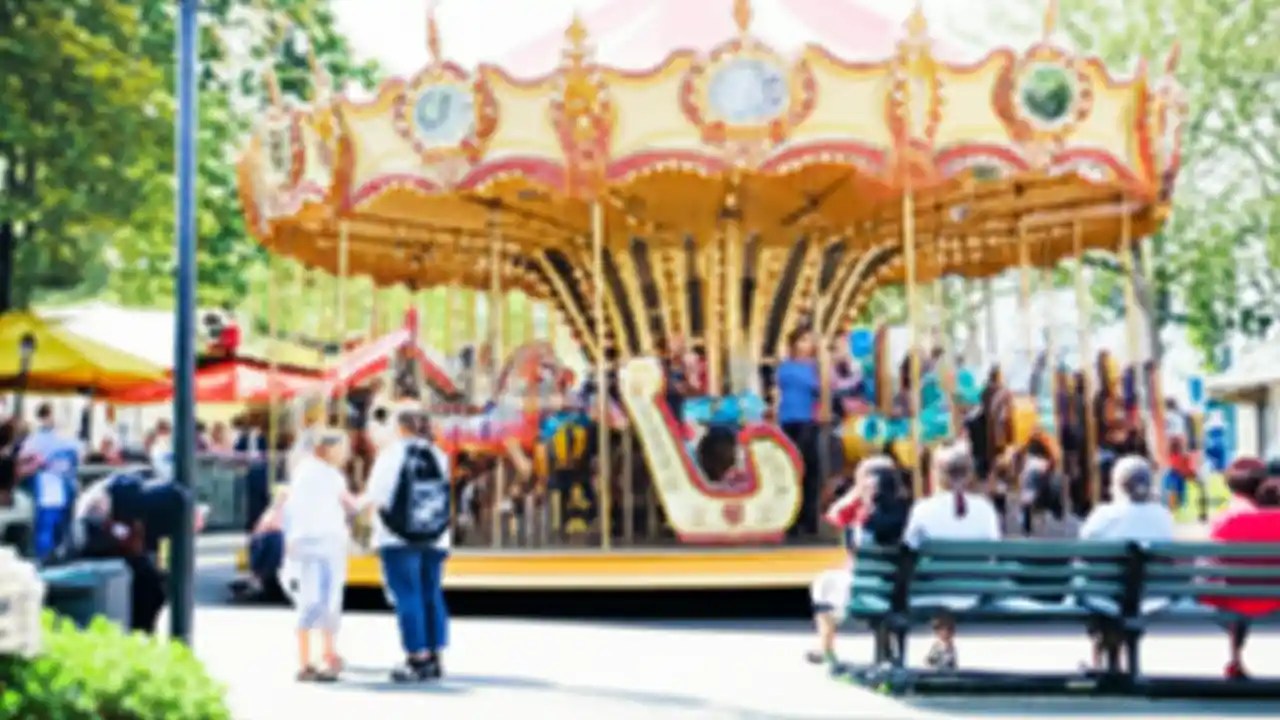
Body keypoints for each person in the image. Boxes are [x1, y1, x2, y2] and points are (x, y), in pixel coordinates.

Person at [362, 404, 452, 682]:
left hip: (397, 538)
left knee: (407, 595)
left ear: (399, 427)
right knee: (431, 593)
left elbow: (376, 496)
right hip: (435, 537)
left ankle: (416, 657)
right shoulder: (438, 454)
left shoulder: (392, 455)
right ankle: (434, 655)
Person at [262, 430, 357, 682]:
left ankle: (306, 661)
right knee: (328, 601)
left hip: (301, 544)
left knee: (308, 602)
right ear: (329, 450)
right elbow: (351, 505)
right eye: (342, 449)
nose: (346, 454)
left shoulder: (301, 472)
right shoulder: (332, 476)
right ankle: (326, 656)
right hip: (328, 543)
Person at [901, 446, 1001, 670]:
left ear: (936, 474)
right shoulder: (984, 508)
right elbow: (994, 550)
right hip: (975, 590)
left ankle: (943, 644)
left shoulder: (924, 509)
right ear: (969, 474)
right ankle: (944, 644)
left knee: (934, 580)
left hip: (933, 589)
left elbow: (909, 546)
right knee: (949, 581)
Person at [806, 456, 905, 668]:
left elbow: (834, 515)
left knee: (824, 582)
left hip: (863, 587)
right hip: (902, 588)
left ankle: (826, 647)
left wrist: (858, 493)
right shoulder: (909, 511)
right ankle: (888, 647)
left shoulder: (863, 517)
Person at [1077, 455, 1175, 671]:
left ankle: (1105, 654)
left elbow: (1084, 547)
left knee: (1094, 590)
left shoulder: (1104, 515)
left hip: (1103, 596)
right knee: (1124, 591)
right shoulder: (1162, 516)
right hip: (1150, 597)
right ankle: (1120, 652)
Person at [1203, 477, 1280, 679]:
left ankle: (1235, 659)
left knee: (1238, 596)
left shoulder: (1232, 519)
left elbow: (1213, 558)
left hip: (1238, 597)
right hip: (1275, 598)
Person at [777, 328, 822, 536]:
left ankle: (808, 517)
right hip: (791, 421)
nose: (807, 345)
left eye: (809, 341)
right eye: (803, 340)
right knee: (795, 469)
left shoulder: (813, 367)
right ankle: (793, 517)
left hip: (807, 420)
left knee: (810, 471)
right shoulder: (788, 368)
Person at [20, 403, 79, 559]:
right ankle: (46, 558)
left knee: (55, 528)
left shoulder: (57, 438)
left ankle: (51, 557)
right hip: (48, 490)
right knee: (47, 529)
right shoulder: (37, 440)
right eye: (48, 415)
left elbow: (76, 456)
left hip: (60, 490)